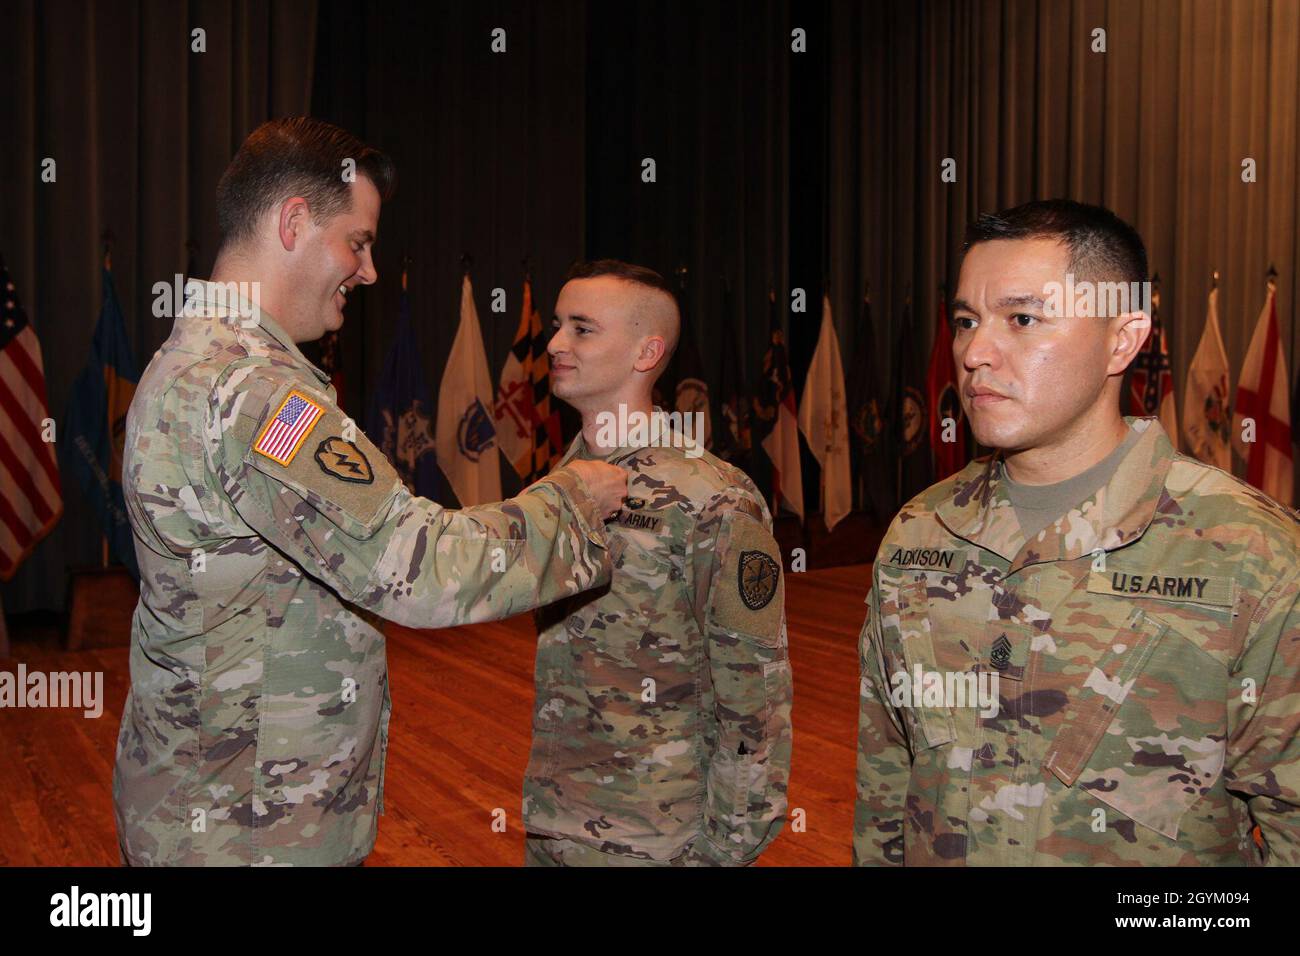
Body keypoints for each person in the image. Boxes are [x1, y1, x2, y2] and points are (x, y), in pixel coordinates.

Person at [113, 118, 628, 866]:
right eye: (357, 241)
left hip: (204, 798)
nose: (371, 270)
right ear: (294, 221)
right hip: (251, 828)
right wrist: (571, 497)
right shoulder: (253, 391)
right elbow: (416, 567)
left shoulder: (192, 355)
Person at [854, 199, 1300, 866]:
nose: (974, 353)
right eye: (966, 321)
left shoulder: (1250, 550)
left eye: (1023, 319)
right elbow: (888, 775)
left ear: (1122, 339)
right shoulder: (920, 531)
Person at [522, 259, 793, 866]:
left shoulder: (714, 494)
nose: (555, 343)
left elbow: (754, 688)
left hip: (657, 836)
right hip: (554, 816)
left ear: (647, 352)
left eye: (582, 328)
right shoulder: (562, 482)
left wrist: (726, 847)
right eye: (557, 325)